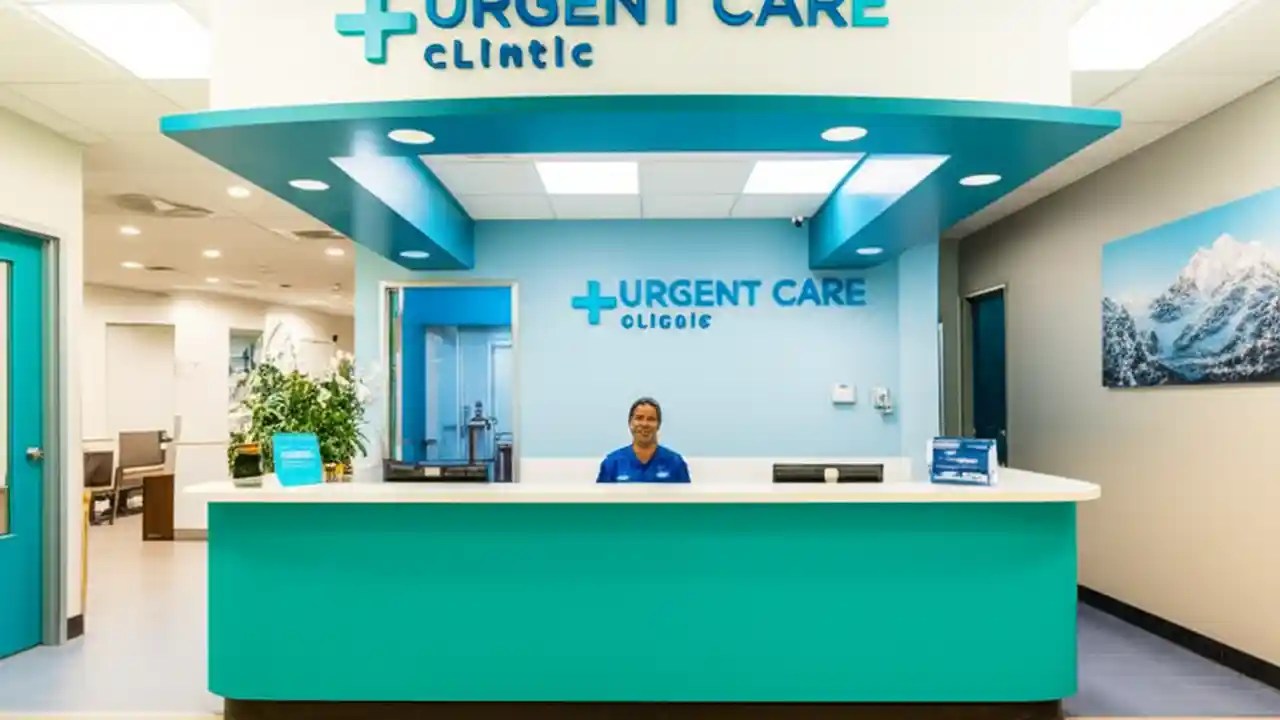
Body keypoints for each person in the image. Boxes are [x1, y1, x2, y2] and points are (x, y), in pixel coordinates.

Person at [596, 397, 691, 483]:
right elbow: (600, 500)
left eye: (651, 419)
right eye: (639, 418)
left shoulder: (675, 462)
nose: (645, 424)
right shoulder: (612, 463)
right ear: (630, 423)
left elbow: (687, 500)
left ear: (658, 425)